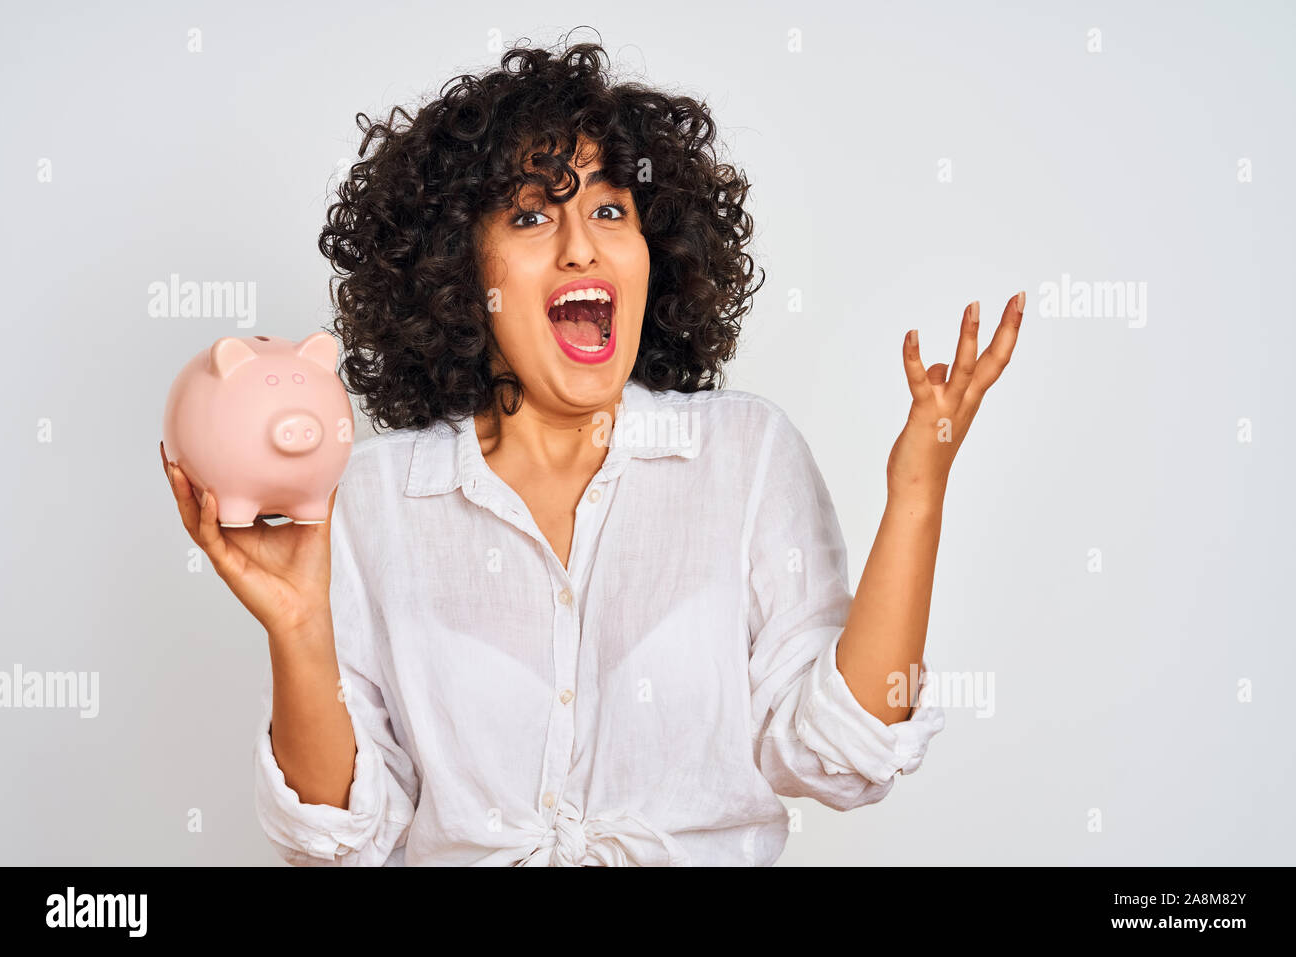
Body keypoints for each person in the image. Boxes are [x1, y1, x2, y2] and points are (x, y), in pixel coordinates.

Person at [160, 39, 1022, 866]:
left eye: (611, 208)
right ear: (462, 271)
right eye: (532, 215)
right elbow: (338, 841)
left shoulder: (746, 454)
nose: (582, 244)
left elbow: (844, 754)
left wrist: (917, 496)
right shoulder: (373, 497)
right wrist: (300, 627)